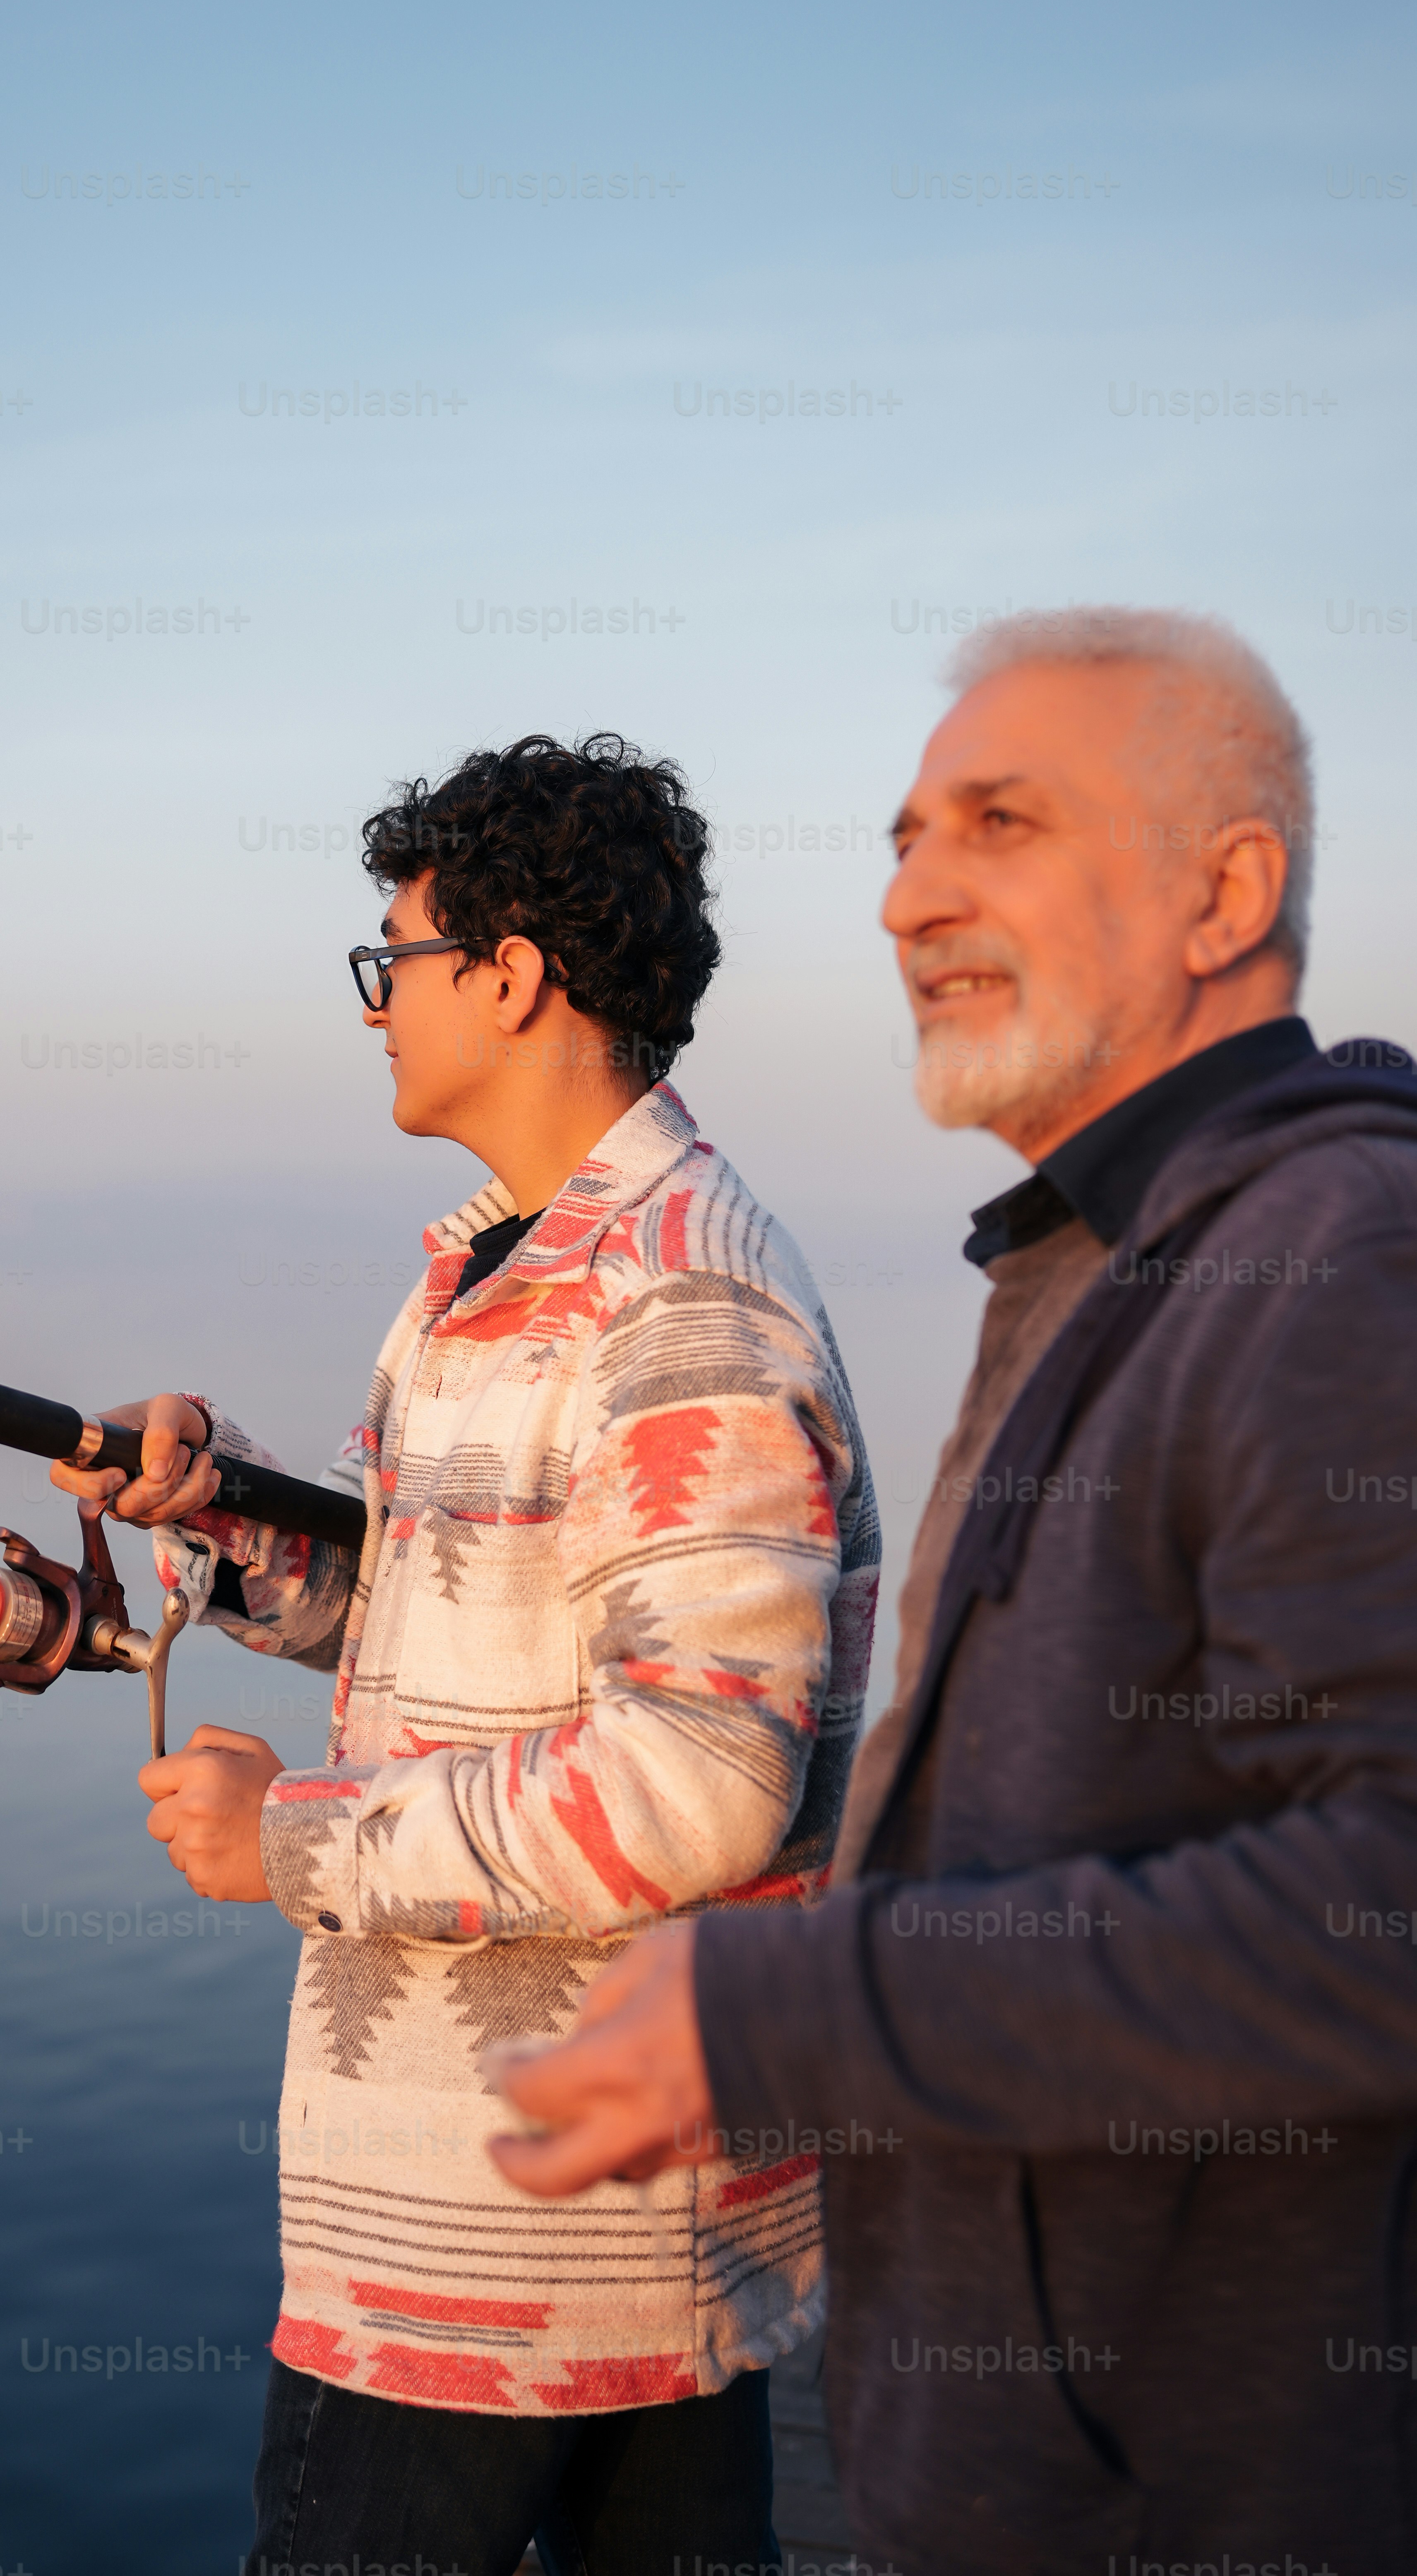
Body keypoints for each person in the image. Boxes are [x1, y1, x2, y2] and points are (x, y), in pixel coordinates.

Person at [491, 613, 1417, 2573]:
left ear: (1222, 893)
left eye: (1000, 824)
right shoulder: (1085, 1262)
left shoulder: (1337, 1252)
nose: (915, 896)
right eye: (907, 838)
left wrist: (804, 2003)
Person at [49, 733, 879, 2576]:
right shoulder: (499, 1273)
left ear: (511, 977)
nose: (376, 1009)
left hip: (515, 2258)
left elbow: (696, 1781)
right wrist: (220, 1517)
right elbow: (443, 1604)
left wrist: (298, 1839)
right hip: (547, 2229)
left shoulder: (678, 1301)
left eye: (394, 960)